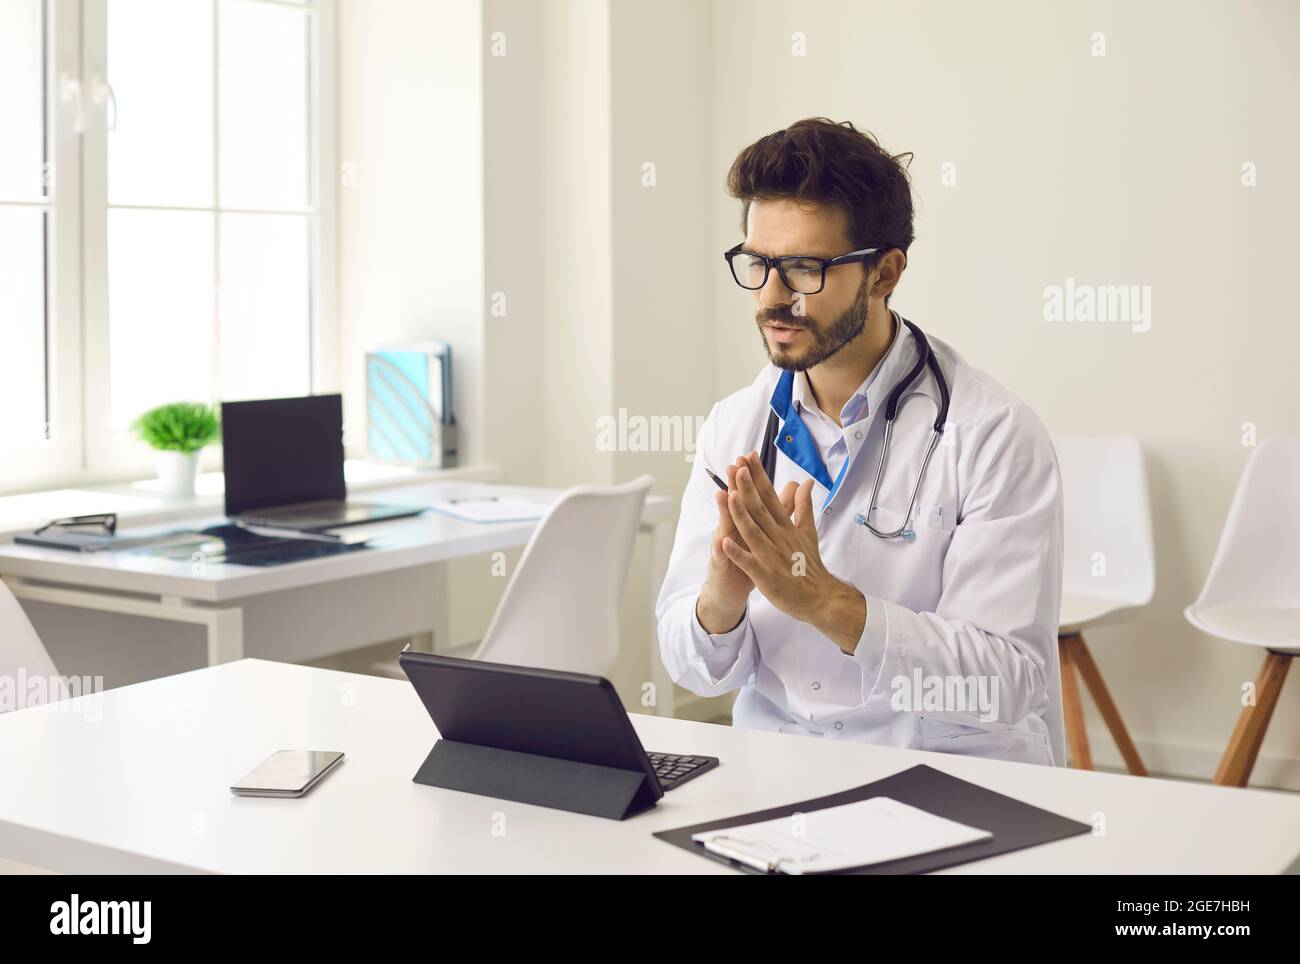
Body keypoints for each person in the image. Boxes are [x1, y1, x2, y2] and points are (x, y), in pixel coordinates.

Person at [655, 118, 1063, 764]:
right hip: (779, 778)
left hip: (946, 779)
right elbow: (695, 671)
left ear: (885, 273)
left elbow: (1007, 682)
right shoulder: (734, 428)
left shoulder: (992, 434)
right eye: (758, 264)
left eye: (804, 270)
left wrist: (823, 601)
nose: (772, 297)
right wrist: (721, 600)